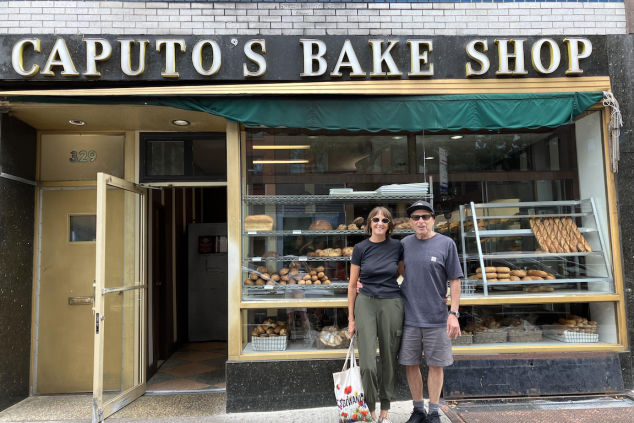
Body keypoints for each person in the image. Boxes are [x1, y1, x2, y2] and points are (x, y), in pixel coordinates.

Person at [399, 200, 463, 423]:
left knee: (436, 365)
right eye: (416, 217)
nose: (421, 221)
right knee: (411, 364)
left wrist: (453, 313)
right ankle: (418, 410)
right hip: (409, 317)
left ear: (433, 220)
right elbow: (394, 273)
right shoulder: (404, 244)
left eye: (425, 217)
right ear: (410, 222)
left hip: (437, 317)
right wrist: (365, 283)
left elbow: (455, 280)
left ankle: (434, 412)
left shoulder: (446, 244)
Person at [348, 207, 404, 423]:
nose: (380, 223)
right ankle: (370, 410)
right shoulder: (360, 248)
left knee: (389, 358)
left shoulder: (397, 246)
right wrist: (351, 319)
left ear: (389, 225)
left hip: (391, 304)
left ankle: (384, 412)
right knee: (368, 364)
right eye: (376, 219)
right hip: (365, 304)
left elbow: (405, 274)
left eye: (385, 220)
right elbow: (352, 285)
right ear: (369, 223)